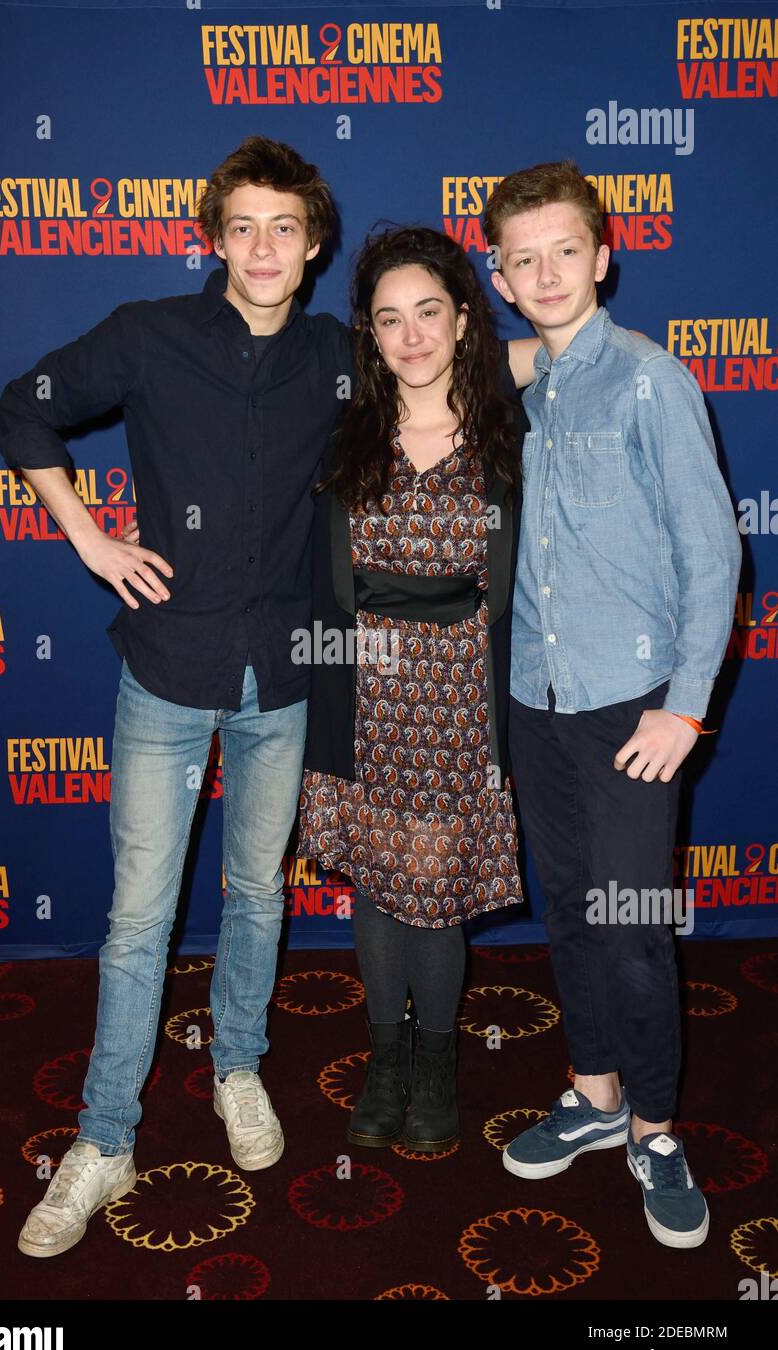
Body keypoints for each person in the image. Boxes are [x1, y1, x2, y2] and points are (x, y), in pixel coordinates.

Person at [0, 135, 353, 1258]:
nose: (261, 246)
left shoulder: (341, 356)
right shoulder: (148, 334)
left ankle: (236, 1067)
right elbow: (23, 409)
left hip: (283, 675)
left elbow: (455, 367)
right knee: (139, 918)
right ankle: (106, 1136)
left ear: (311, 247)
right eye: (241, 225)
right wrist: (92, 539)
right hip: (164, 669)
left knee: (257, 892)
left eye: (283, 227)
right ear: (212, 238)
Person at [482, 160, 742, 1247]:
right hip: (533, 703)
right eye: (519, 257)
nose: (543, 271)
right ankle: (592, 1097)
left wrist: (683, 709)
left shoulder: (646, 377)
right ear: (496, 275)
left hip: (631, 707)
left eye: (562, 250)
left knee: (633, 932)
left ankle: (654, 1127)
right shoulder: (517, 385)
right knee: (574, 912)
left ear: (602, 257)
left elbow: (714, 549)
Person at [298, 226, 536, 1153]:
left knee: (434, 893)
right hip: (363, 687)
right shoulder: (345, 425)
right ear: (369, 333)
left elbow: (567, 339)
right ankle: (384, 1061)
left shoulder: (512, 422)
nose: (411, 336)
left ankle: (437, 1065)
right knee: (377, 885)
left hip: (463, 688)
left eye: (429, 312)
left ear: (465, 317)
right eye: (389, 320)